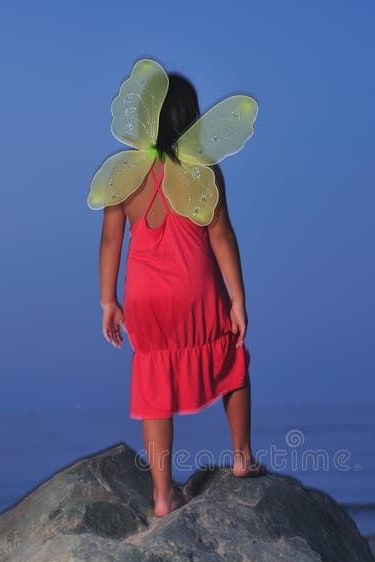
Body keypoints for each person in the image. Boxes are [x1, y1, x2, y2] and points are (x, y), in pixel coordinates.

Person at [97, 70, 266, 518]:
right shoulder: (203, 170)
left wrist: (108, 301)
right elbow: (221, 235)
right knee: (230, 354)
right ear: (193, 120)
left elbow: (111, 241)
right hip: (195, 287)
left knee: (154, 381)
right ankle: (242, 456)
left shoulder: (125, 174)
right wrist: (237, 299)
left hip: (145, 296)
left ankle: (161, 496)